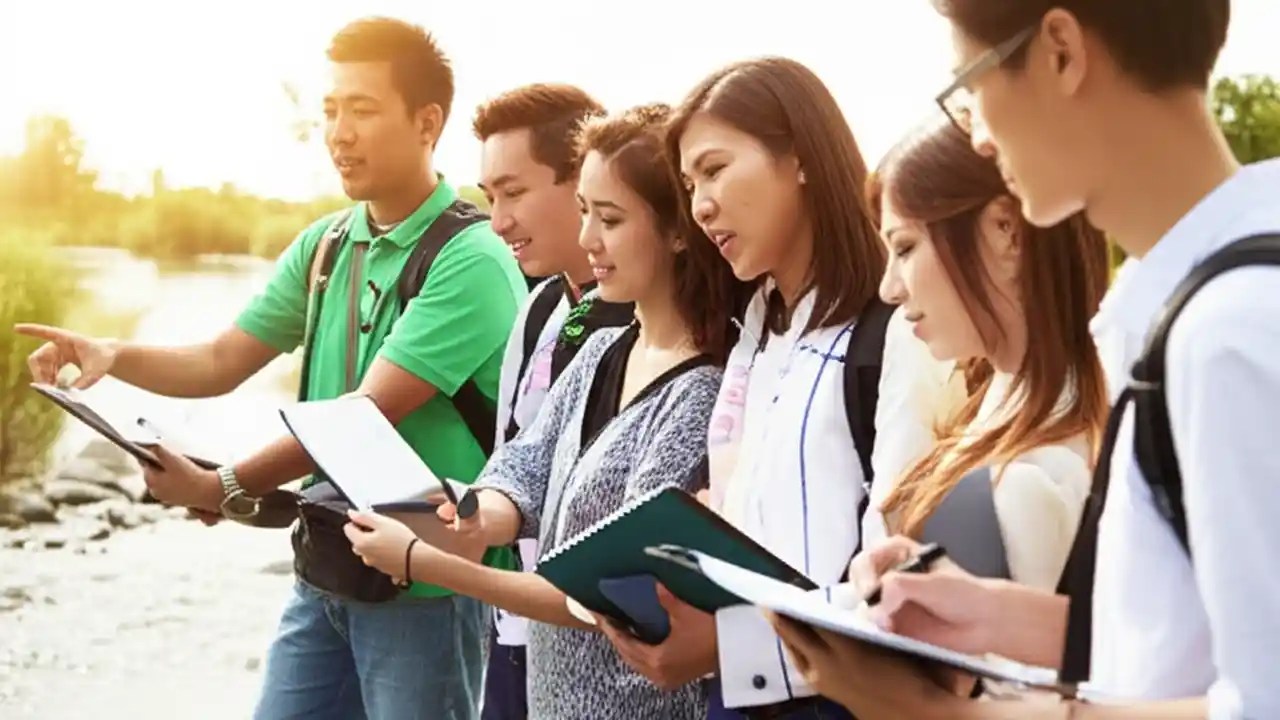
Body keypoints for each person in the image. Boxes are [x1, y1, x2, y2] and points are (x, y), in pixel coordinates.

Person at [768, 1, 1280, 718]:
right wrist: (990, 614)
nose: (975, 134)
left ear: (1062, 52)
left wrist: (950, 714)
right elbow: (1181, 642)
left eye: (968, 87)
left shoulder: (1233, 330)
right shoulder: (1171, 306)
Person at [19, 17, 527, 720]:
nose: (339, 132)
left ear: (426, 122)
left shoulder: (473, 260)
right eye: (330, 110)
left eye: (363, 109)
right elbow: (222, 359)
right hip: (326, 570)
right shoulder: (326, 244)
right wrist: (111, 355)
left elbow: (362, 416)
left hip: (427, 587)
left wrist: (221, 484)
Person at [344, 103, 750, 720]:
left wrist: (422, 561)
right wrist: (475, 515)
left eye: (609, 218)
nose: (588, 240)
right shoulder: (606, 349)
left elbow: (601, 594)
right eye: (585, 212)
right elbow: (526, 463)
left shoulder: (703, 394)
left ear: (677, 229)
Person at [598, 57, 952, 719]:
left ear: (800, 158)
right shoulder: (757, 334)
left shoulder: (898, 330)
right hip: (738, 696)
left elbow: (895, 578)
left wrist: (728, 644)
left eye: (715, 169)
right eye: (688, 183)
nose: (701, 205)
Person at [861, 117, 1110, 592]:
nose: (889, 288)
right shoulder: (996, 409)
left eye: (905, 247)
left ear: (1005, 231)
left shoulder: (1041, 476)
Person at [472, 81, 633, 720]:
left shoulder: (662, 325)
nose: (498, 220)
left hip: (612, 659)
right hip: (517, 628)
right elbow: (512, 456)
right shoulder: (540, 306)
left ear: (582, 177)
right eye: (489, 197)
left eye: (514, 193)